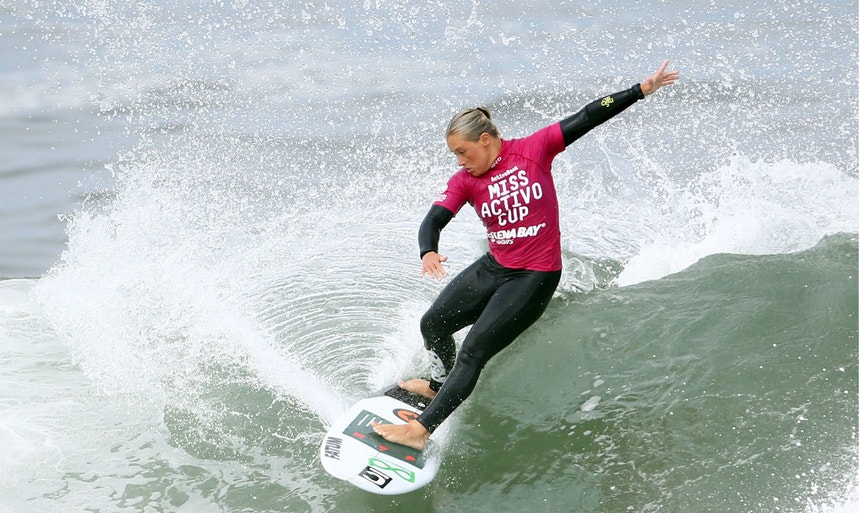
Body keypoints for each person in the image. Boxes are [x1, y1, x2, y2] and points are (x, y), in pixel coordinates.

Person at [373, 60, 680, 450]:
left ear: (486, 139)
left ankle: (420, 430)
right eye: (455, 155)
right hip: (495, 266)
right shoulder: (465, 180)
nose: (460, 161)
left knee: (472, 353)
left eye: (463, 151)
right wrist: (428, 250)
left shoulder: (535, 149)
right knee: (433, 323)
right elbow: (433, 218)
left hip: (533, 277)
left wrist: (641, 89)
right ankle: (436, 386)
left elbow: (586, 117)